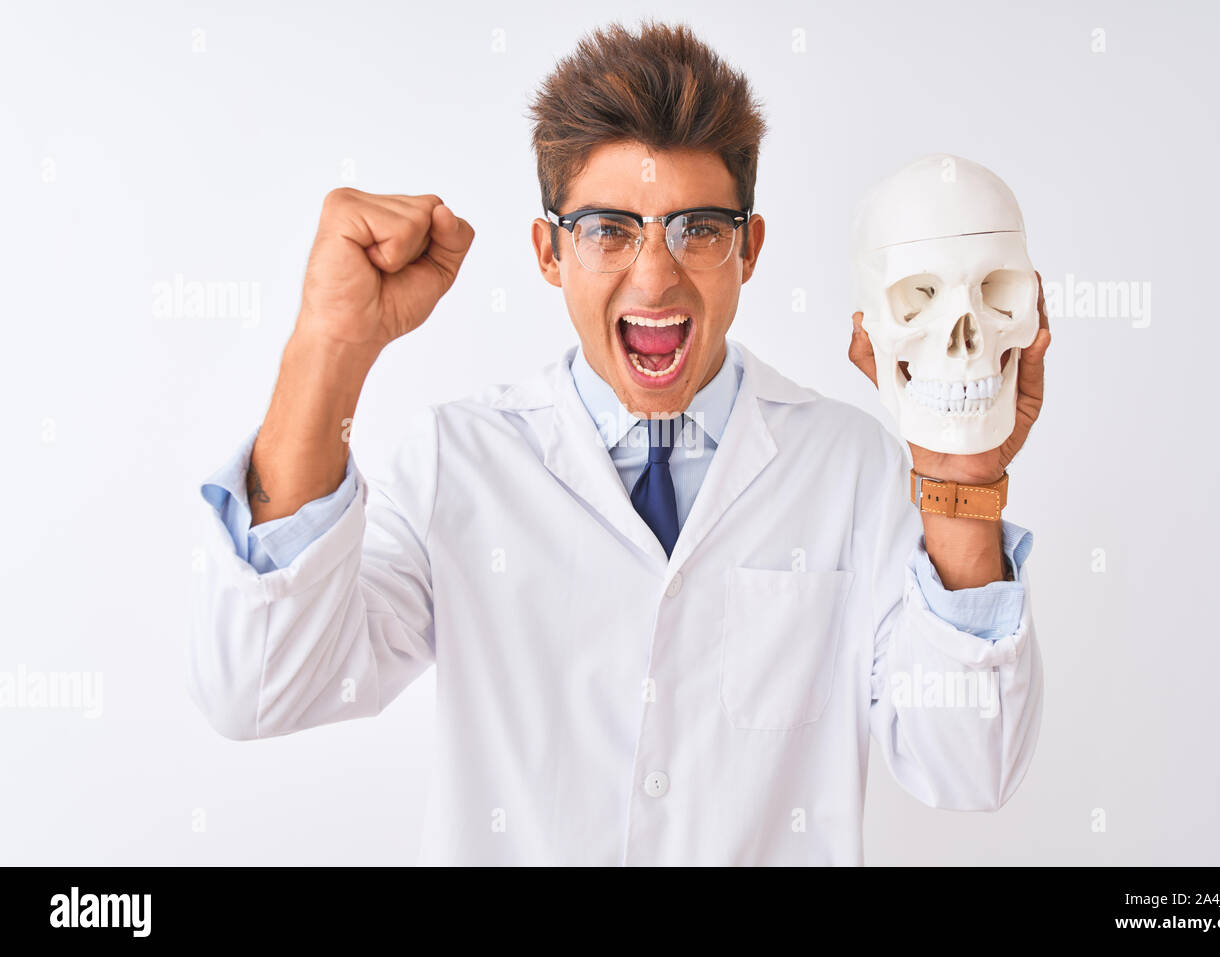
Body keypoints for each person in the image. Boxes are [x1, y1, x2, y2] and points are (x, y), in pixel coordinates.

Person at [190, 19, 1049, 866]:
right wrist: (329, 348)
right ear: (549, 252)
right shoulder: (460, 461)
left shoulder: (854, 468)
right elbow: (259, 687)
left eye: (698, 229)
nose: (654, 275)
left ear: (748, 248)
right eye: (608, 229)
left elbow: (968, 764)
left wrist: (960, 480)